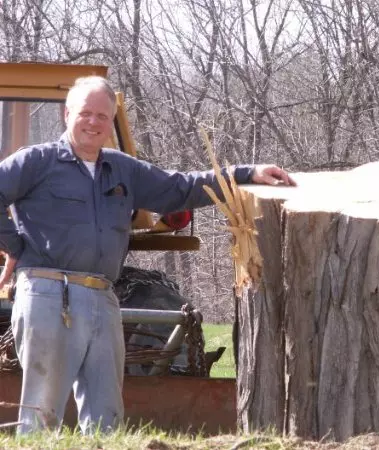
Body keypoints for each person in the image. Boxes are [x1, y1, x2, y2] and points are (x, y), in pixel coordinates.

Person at [0, 76, 295, 434]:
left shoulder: (122, 168)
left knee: (106, 409)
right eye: (86, 113)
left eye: (102, 116)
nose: (94, 123)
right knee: (42, 408)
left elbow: (179, 188)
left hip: (103, 295)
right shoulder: (36, 162)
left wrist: (244, 173)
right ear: (67, 115)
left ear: (111, 121)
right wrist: (15, 247)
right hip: (48, 293)